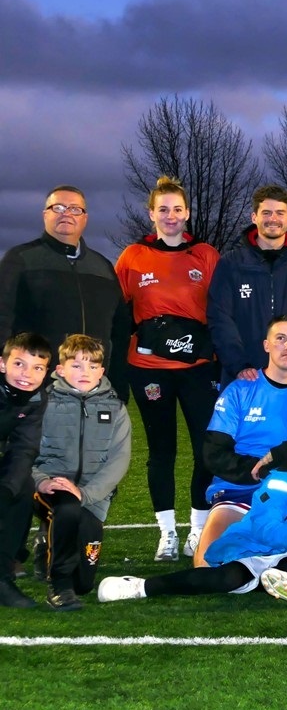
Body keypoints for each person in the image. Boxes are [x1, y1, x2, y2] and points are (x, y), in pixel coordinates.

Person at [98, 424, 287, 609]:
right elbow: (265, 530)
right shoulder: (281, 481)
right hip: (256, 548)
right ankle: (140, 586)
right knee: (225, 580)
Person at [114, 176, 221, 562]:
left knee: (205, 449)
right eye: (163, 209)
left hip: (197, 368)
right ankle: (166, 534)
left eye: (178, 209)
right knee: (161, 451)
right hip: (148, 368)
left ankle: (196, 530)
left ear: (187, 212)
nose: (171, 216)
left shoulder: (205, 254)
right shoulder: (133, 257)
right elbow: (116, 311)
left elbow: (222, 310)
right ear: (152, 214)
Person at [194, 316, 287, 565]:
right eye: (280, 339)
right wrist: (259, 470)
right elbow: (214, 453)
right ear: (266, 345)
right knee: (205, 564)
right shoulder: (240, 390)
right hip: (238, 490)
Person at [30, 334, 132, 610]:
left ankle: (45, 543)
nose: (84, 372)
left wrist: (86, 493)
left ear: (102, 370)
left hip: (92, 495)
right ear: (60, 370)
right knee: (67, 510)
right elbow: (24, 452)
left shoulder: (115, 408)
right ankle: (59, 587)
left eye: (92, 366)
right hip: (49, 487)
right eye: (76, 366)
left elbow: (119, 460)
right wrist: (40, 481)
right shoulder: (43, 403)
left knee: (84, 584)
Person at [207, 185, 287, 390]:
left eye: (280, 213)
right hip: (243, 377)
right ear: (254, 217)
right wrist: (239, 365)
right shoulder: (231, 264)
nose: (273, 219)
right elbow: (220, 318)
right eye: (266, 213)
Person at [0, 186, 121, 353]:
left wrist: (116, 375)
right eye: (58, 208)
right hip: (38, 376)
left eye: (75, 209)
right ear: (45, 215)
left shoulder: (103, 267)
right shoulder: (20, 259)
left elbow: (119, 328)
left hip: (93, 377)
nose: (66, 214)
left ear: (85, 218)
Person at [0, 333, 51, 608]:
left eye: (37, 367)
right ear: (2, 364)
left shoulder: (36, 400)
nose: (27, 374)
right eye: (19, 364)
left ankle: (2, 577)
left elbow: (24, 449)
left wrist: (6, 491)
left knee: (21, 487)